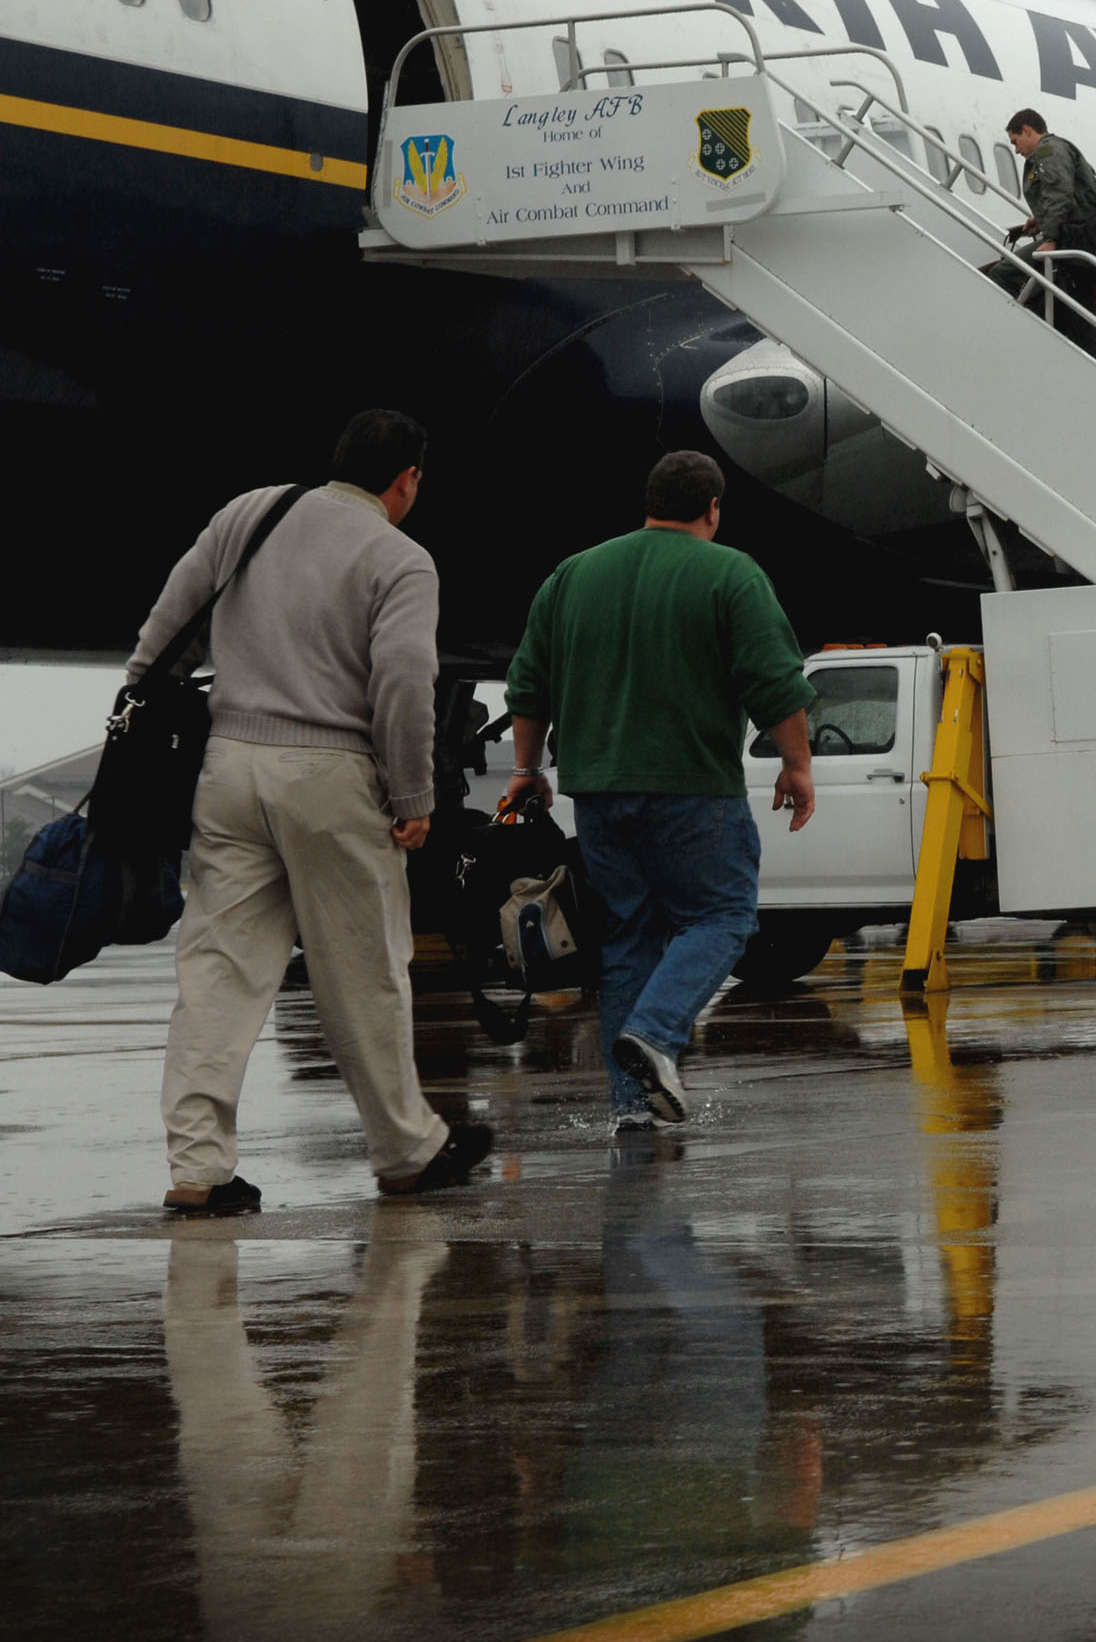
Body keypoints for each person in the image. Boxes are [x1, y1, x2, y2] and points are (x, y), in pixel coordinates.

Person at [136, 408, 490, 1213]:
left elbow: (169, 630)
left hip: (228, 765)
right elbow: (402, 684)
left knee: (218, 971)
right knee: (363, 971)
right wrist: (414, 797)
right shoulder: (400, 557)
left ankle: (199, 1169)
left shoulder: (248, 512)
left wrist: (137, 714)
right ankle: (406, 1149)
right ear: (406, 481)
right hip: (332, 775)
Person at [503, 451, 817, 1129]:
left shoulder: (573, 574)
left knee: (629, 941)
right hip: (693, 788)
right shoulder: (730, 571)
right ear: (712, 509)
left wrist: (527, 771)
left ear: (649, 502)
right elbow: (775, 681)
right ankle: (655, 1031)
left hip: (599, 797)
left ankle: (631, 1109)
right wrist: (797, 763)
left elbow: (528, 684)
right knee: (722, 916)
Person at [1000, 108, 1096, 371]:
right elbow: (1066, 198)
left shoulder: (1047, 151)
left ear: (1028, 130)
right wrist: (1038, 222)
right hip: (1075, 242)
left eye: (1015, 141)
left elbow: (1059, 194)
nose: (1016, 150)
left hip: (1071, 243)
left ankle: (1030, 334)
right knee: (1079, 319)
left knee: (1004, 274)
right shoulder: (1050, 152)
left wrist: (1050, 236)